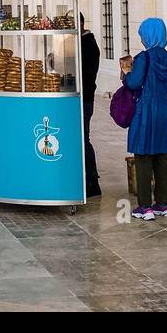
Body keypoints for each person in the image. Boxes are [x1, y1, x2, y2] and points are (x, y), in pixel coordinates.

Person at [119, 17, 167, 220]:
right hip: (164, 109)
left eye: (143, 35)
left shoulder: (144, 57)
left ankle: (145, 206)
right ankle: (163, 203)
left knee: (143, 156)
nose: (142, 39)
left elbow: (134, 83)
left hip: (146, 109)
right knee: (162, 155)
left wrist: (126, 72)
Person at [79, 14, 101, 198]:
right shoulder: (80, 43)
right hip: (80, 98)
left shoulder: (88, 45)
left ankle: (92, 181)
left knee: (83, 139)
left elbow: (86, 74)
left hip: (84, 99)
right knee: (80, 139)